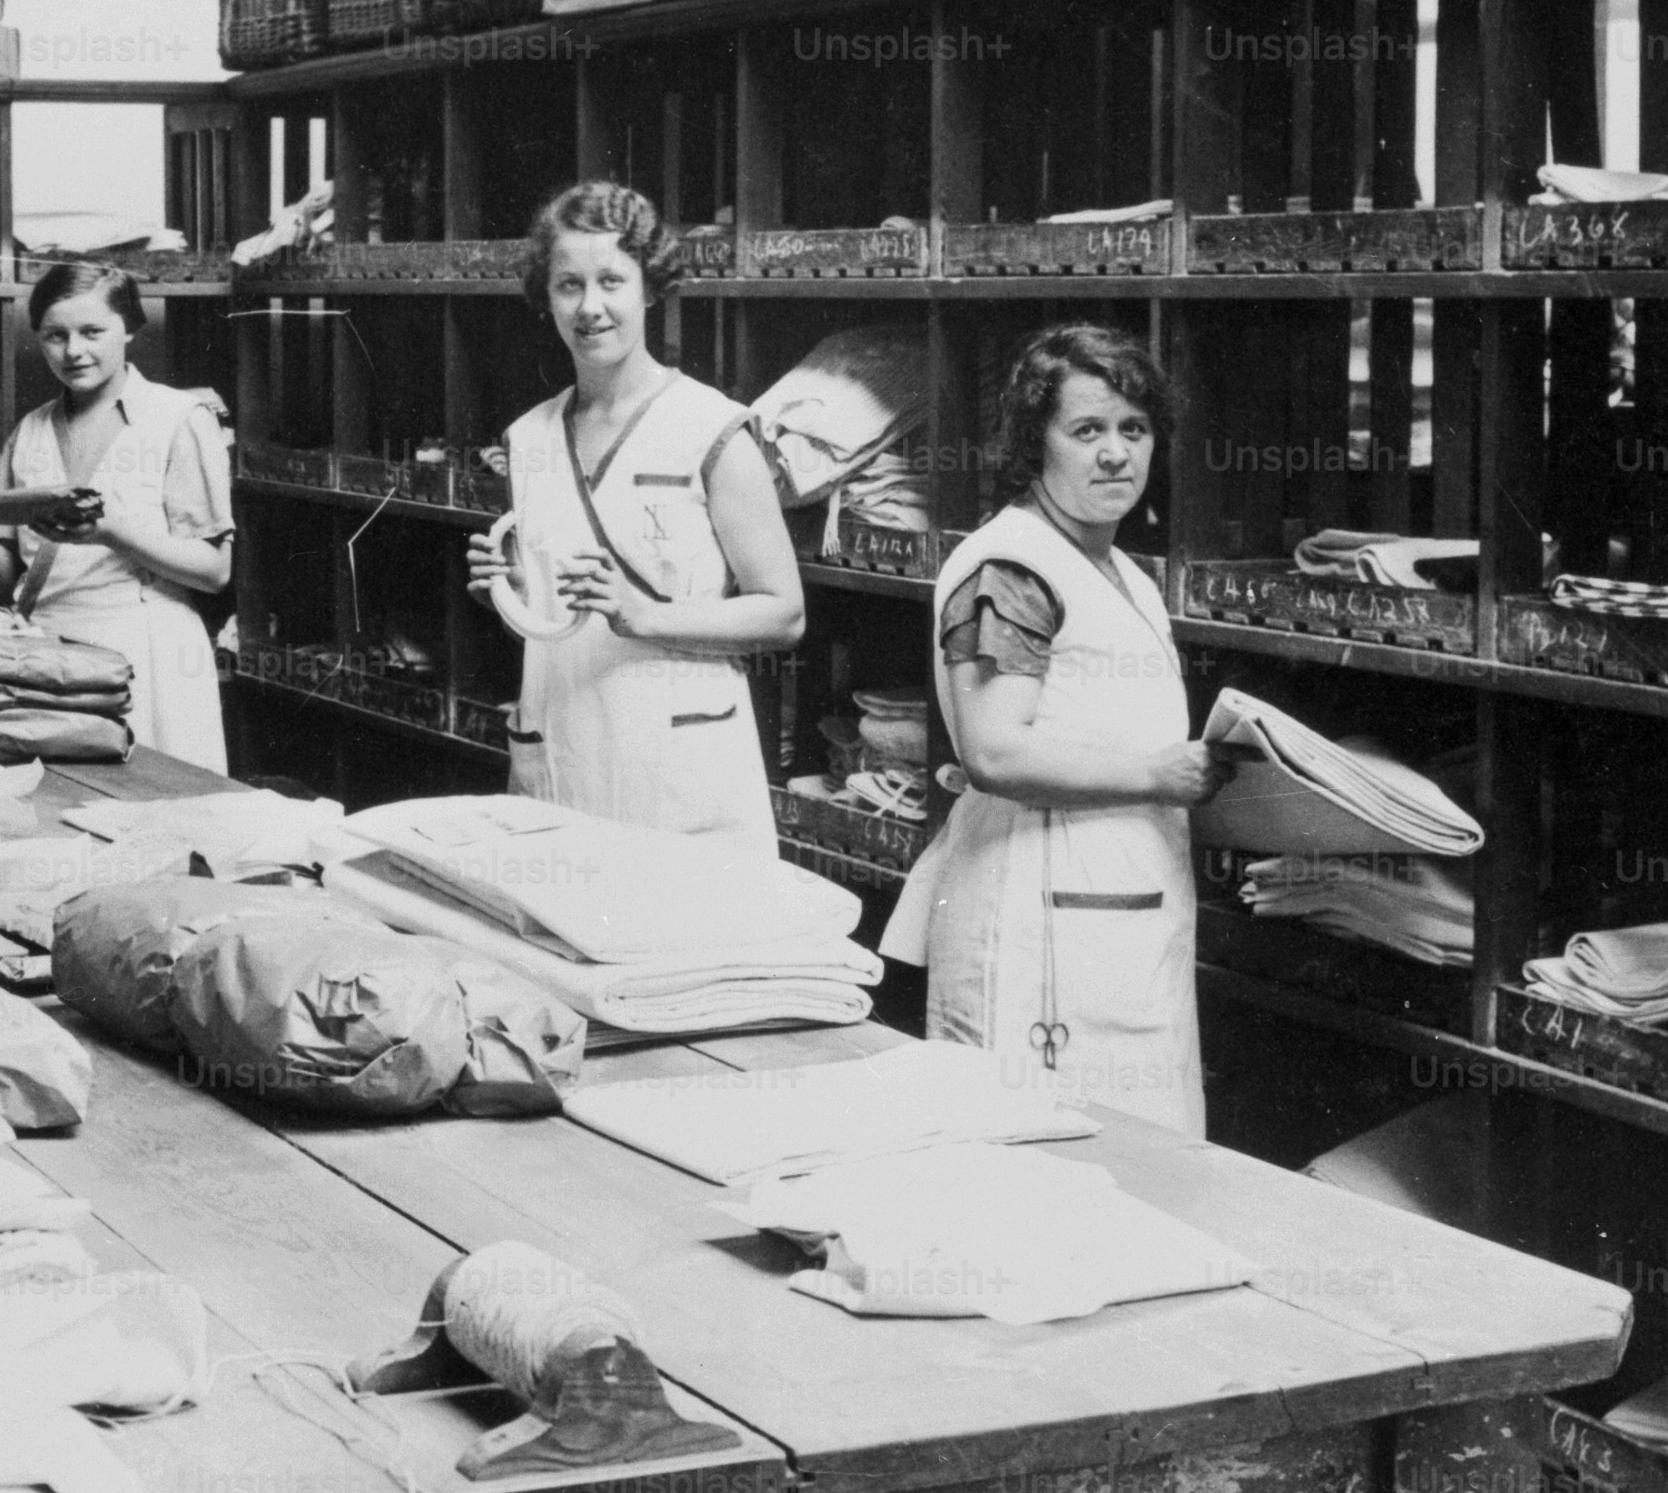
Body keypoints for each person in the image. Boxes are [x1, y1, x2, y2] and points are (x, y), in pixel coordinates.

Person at [887, 323, 1218, 1134]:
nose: (1115, 454)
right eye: (1086, 430)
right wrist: (1157, 775)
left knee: (1134, 1172)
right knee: (1035, 1172)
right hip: (1035, 922)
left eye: (1132, 429)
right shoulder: (1012, 565)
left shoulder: (1121, 570)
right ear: (1034, 443)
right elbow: (994, 749)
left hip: (1118, 916)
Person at [462, 181, 804, 835]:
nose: (590, 307)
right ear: (546, 297)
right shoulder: (528, 437)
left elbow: (783, 612)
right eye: (568, 284)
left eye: (611, 280)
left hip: (678, 760)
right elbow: (559, 625)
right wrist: (506, 594)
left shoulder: (713, 429)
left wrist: (644, 613)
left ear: (649, 286)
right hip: (559, 745)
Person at [0, 262, 234, 766]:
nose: (74, 351)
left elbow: (215, 572)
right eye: (55, 336)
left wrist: (110, 532)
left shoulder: (177, 419)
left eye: (93, 332)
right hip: (48, 654)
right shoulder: (31, 430)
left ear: (129, 329)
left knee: (157, 802)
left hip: (147, 653)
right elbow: (14, 585)